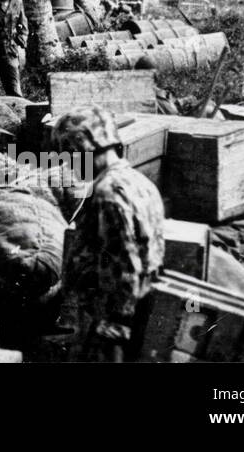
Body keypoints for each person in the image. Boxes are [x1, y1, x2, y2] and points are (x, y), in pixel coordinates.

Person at [53, 108, 166, 363]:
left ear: (79, 150)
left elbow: (127, 265)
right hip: (133, 319)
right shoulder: (141, 182)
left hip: (109, 327)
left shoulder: (109, 193)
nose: (67, 165)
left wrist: (111, 332)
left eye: (67, 156)